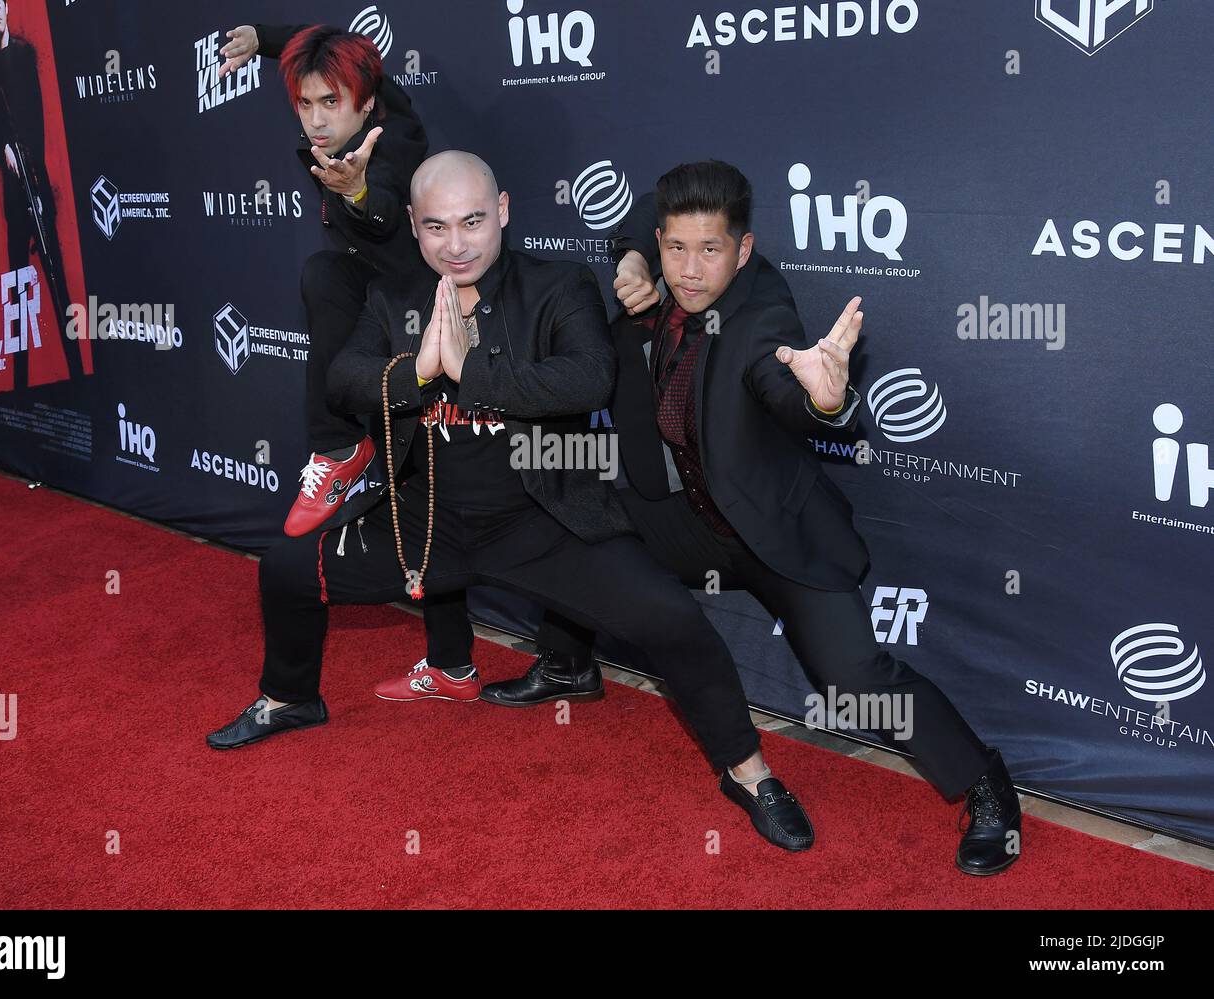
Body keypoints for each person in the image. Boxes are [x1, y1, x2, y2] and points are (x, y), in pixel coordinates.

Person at [206, 151, 820, 854]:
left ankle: (749, 772)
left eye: (472, 220)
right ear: (412, 224)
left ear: (502, 210)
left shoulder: (557, 285)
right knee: (285, 566)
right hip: (427, 523)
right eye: (436, 226)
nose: (456, 242)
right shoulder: (396, 297)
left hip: (545, 520)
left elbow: (587, 377)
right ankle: (290, 698)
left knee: (673, 618)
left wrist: (470, 371)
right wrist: (419, 369)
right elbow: (346, 378)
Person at [478, 161, 1023, 875]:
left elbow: (782, 387)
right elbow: (646, 211)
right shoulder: (657, 265)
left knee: (855, 681)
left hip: (768, 530)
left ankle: (986, 783)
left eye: (711, 251)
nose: (692, 270)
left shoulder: (762, 312)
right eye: (676, 249)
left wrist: (824, 401)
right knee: (585, 535)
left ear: (745, 249)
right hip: (677, 516)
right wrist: (639, 254)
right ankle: (566, 663)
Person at [221, 23, 478, 684]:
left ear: (367, 105)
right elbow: (329, 42)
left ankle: (459, 660)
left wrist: (356, 190)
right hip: (377, 310)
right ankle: (452, 663)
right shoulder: (350, 97)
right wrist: (266, 38)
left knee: (424, 490)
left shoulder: (395, 146)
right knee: (327, 275)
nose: (314, 119)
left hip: (426, 324)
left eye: (328, 104)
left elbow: (386, 213)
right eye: (304, 105)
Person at [0, 0, 83, 389]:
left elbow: (36, 118)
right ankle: (19, 384)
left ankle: (77, 371)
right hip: (13, 195)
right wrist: (3, 149)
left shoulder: (25, 54)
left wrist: (32, 174)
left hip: (35, 182)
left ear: (7, 7)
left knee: (57, 279)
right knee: (16, 287)